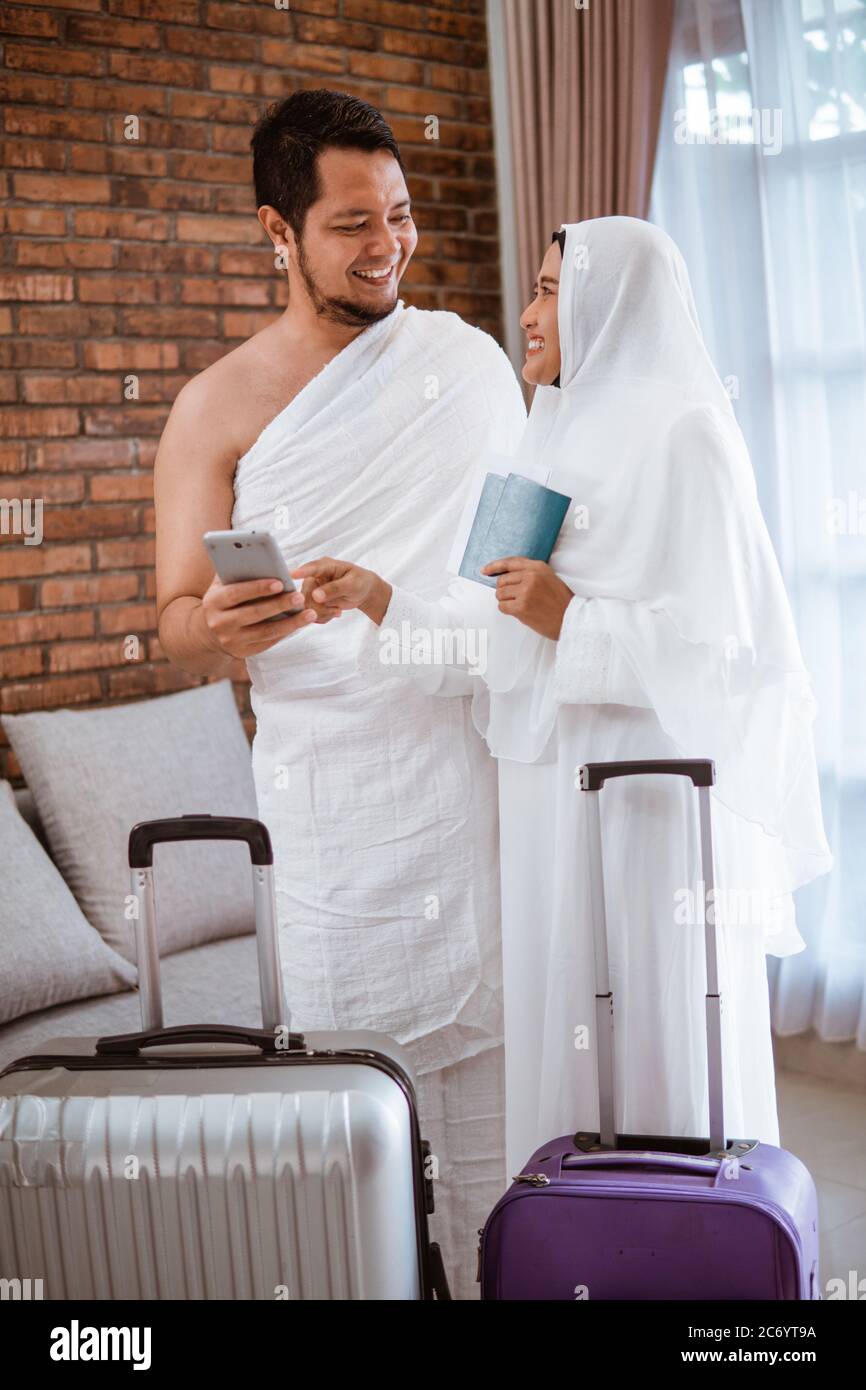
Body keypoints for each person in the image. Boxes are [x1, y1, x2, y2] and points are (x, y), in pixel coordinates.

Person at [294, 215, 834, 1180]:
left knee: (655, 1022)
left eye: (551, 290)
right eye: (536, 289)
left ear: (612, 303)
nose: (529, 314)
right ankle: (572, 1252)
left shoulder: (690, 438)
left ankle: (683, 1260)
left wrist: (570, 618)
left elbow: (734, 657)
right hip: (548, 807)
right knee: (567, 1035)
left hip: (650, 814)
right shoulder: (536, 447)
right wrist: (379, 598)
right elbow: (483, 630)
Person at [154, 89, 528, 1299]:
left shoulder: (463, 368)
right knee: (351, 1100)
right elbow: (170, 625)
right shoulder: (213, 406)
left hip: (465, 780)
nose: (389, 245)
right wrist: (215, 623)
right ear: (279, 229)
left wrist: (399, 606)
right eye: (352, 222)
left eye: (401, 214)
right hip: (327, 806)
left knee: (487, 1093)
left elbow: (523, 578)